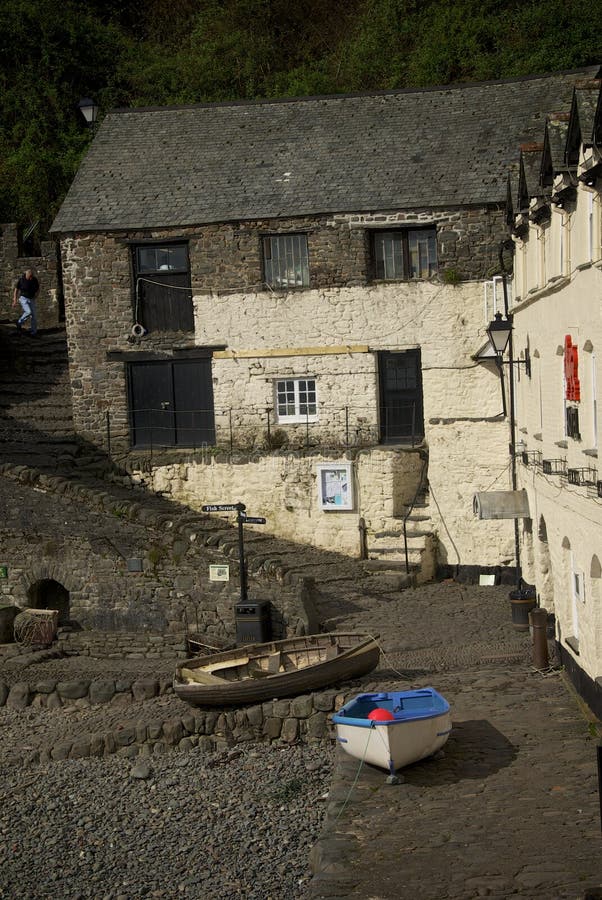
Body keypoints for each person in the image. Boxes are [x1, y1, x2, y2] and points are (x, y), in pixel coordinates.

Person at [13, 268, 40, 336]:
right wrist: (15, 300)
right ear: (26, 275)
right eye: (29, 277)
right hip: (23, 298)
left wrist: (36, 296)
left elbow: (38, 288)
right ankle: (19, 322)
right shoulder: (21, 280)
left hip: (31, 299)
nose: (31, 278)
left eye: (32, 276)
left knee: (34, 316)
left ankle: (33, 332)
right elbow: (16, 290)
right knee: (28, 312)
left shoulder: (34, 279)